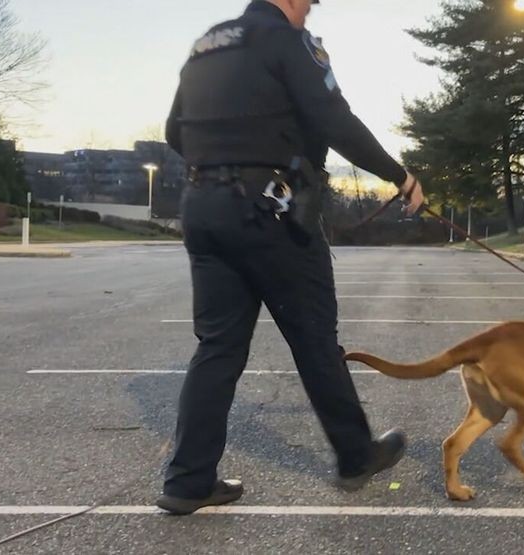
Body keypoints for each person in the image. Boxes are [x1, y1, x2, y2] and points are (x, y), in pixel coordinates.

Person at [157, 0, 425, 515]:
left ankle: (188, 481)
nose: (309, 13)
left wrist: (223, 164)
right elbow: (333, 118)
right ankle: (356, 455)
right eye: (309, 5)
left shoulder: (207, 44)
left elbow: (175, 131)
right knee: (314, 337)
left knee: (218, 346)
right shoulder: (288, 41)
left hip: (202, 207)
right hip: (270, 210)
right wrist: (399, 175)